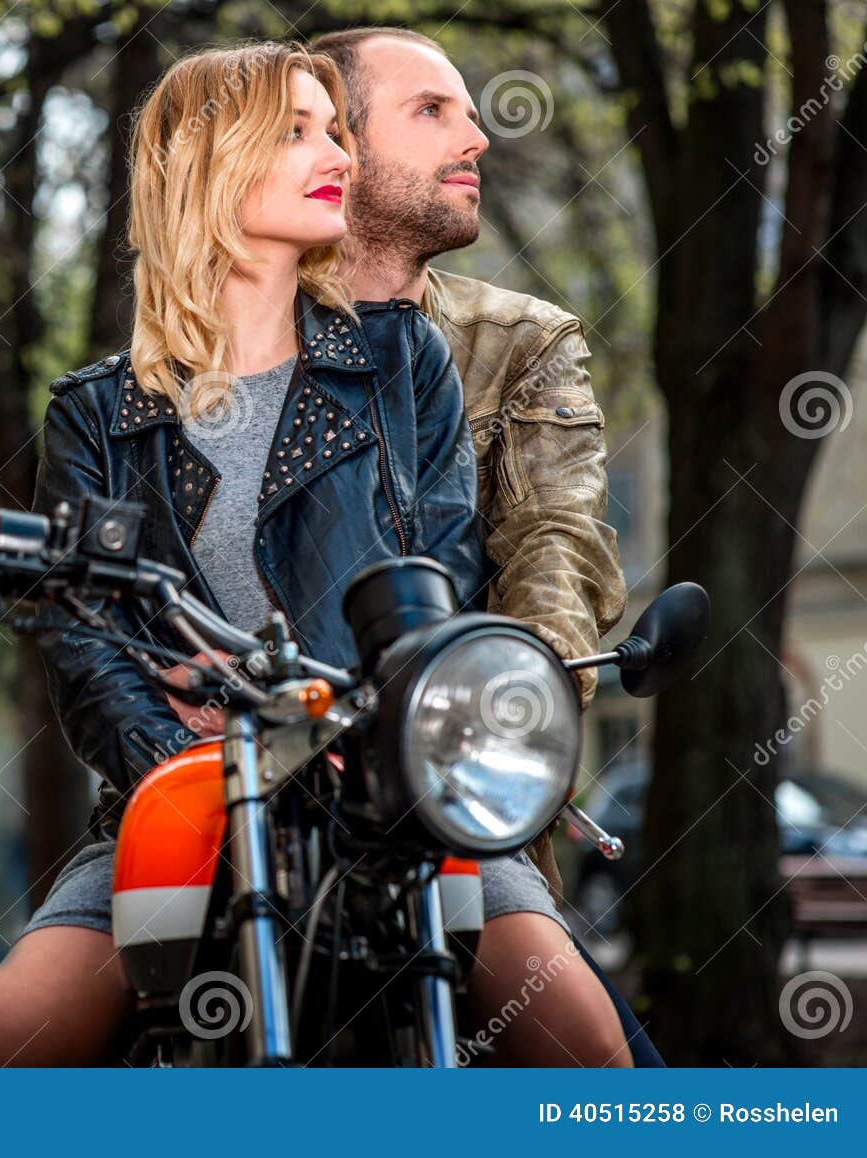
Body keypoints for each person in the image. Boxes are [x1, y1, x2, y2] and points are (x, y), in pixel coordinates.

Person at [0, 42, 629, 1067]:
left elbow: (435, 586)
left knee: (579, 1033)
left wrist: (387, 726)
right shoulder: (95, 411)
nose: (337, 158)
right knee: (1, 1037)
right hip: (178, 792)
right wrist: (170, 754)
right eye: (297, 132)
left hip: (387, 792)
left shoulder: (407, 365)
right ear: (205, 165)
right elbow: (77, 636)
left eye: (337, 130)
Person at [309, 27, 655, 1063]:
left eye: (468, 108)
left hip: (440, 790)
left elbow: (558, 543)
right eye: (431, 112)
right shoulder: (226, 336)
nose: (478, 138)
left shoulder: (521, 340)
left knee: (603, 1066)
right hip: (235, 783)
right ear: (336, 145)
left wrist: (518, 702)